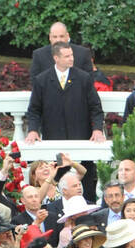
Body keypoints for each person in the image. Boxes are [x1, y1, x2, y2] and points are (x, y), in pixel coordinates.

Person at [23, 41, 106, 199]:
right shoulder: (42, 80)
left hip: (81, 140)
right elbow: (34, 110)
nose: (71, 58)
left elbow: (96, 107)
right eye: (67, 56)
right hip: (54, 141)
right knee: (57, 188)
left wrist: (97, 129)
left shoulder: (84, 78)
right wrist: (33, 130)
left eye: (72, 55)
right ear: (56, 58)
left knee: (86, 190)